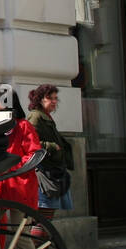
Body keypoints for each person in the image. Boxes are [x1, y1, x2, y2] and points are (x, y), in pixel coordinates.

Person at [26, 84, 72, 218]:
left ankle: (43, 239)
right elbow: (29, 142)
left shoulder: (45, 116)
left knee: (47, 216)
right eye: (49, 98)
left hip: (52, 171)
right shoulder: (36, 116)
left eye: (55, 98)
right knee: (44, 217)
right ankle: (38, 239)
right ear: (40, 99)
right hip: (43, 173)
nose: (54, 101)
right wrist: (51, 146)